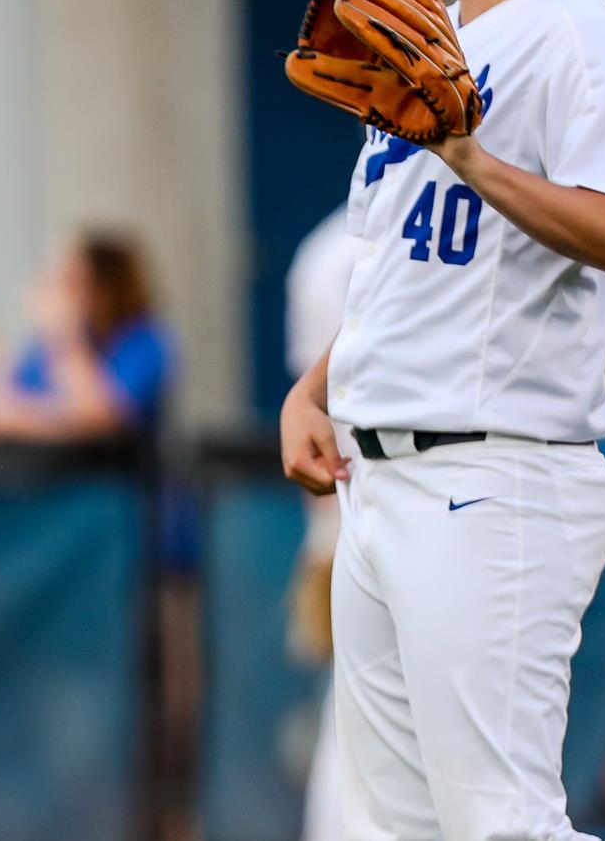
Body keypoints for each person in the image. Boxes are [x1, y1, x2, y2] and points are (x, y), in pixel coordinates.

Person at [280, 0, 605, 840]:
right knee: (394, 831)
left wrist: (471, 156)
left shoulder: (580, 34)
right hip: (381, 478)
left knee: (501, 825)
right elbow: (399, 267)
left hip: (494, 478)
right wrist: (316, 388)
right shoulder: (428, 40)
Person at [282, 208, 364, 841]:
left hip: (367, 509)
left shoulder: (323, 251)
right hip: (359, 502)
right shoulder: (330, 254)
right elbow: (318, 406)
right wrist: (328, 538)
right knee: (353, 715)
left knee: (355, 714)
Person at [0, 231, 175, 454]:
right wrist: (61, 420)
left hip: (111, 471)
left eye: (69, 283)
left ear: (105, 290)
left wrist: (66, 337)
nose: (57, 294)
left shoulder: (143, 341)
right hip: (43, 466)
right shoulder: (44, 345)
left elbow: (101, 420)